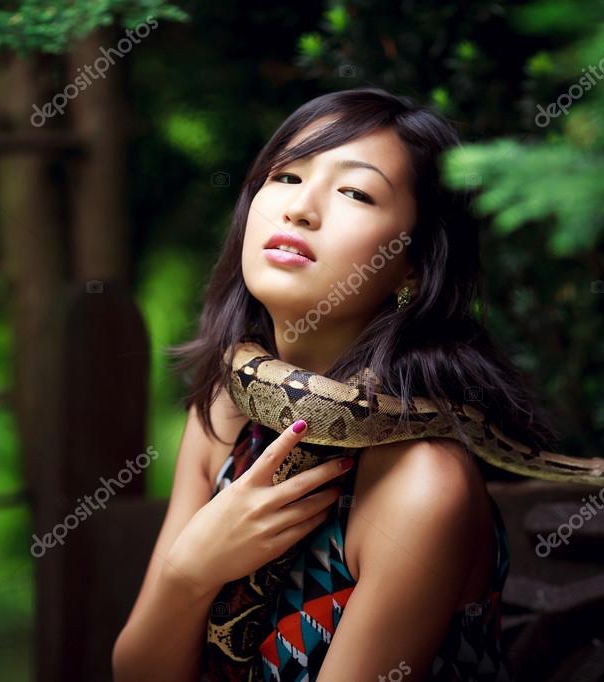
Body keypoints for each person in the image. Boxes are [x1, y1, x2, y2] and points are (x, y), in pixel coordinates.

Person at [112, 87, 563, 681]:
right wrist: (189, 572)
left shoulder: (421, 484)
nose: (300, 209)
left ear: (413, 264)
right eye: (287, 177)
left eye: (355, 191)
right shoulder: (227, 411)